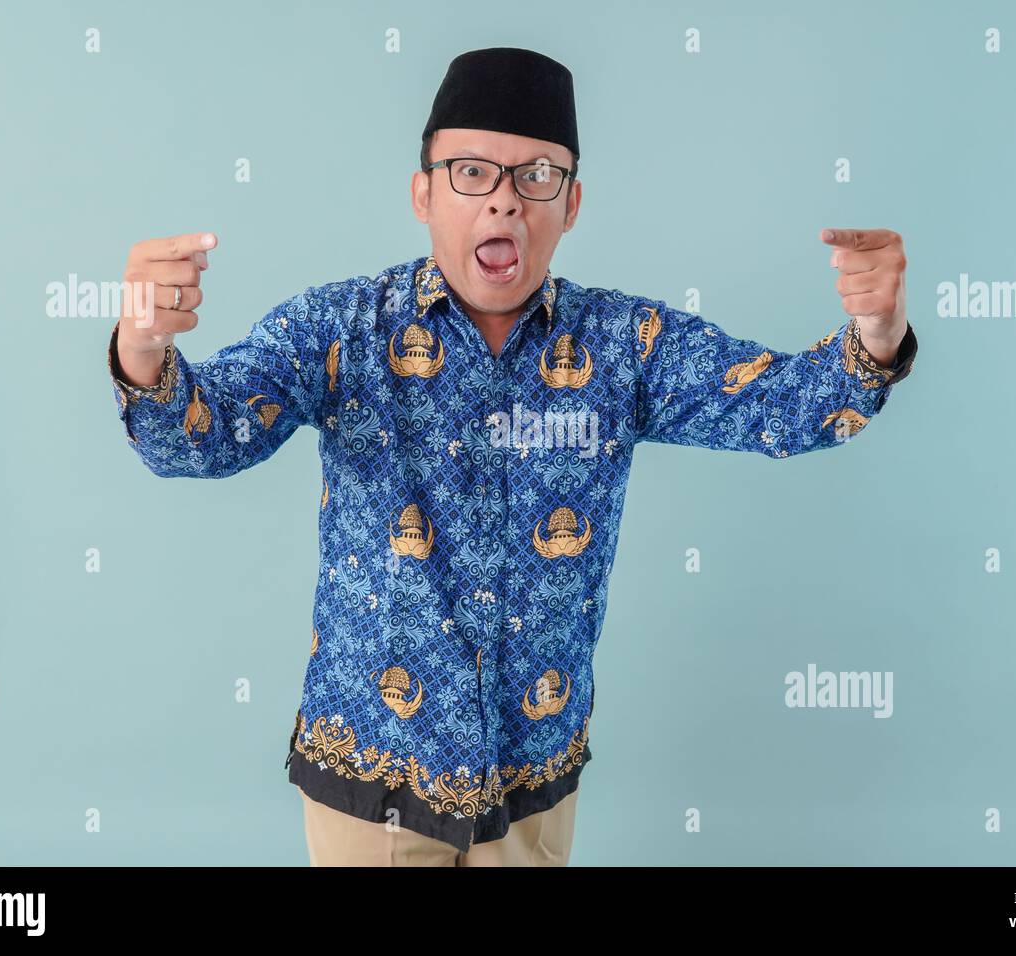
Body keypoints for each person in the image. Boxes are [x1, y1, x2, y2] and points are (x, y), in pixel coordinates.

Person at [106, 47, 918, 867]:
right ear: (424, 193)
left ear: (571, 204)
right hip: (373, 776)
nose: (504, 199)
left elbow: (781, 408)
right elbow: (204, 438)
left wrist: (877, 336)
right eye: (471, 172)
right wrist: (143, 348)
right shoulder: (342, 328)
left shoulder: (625, 345)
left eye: (536, 176)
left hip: (532, 780)